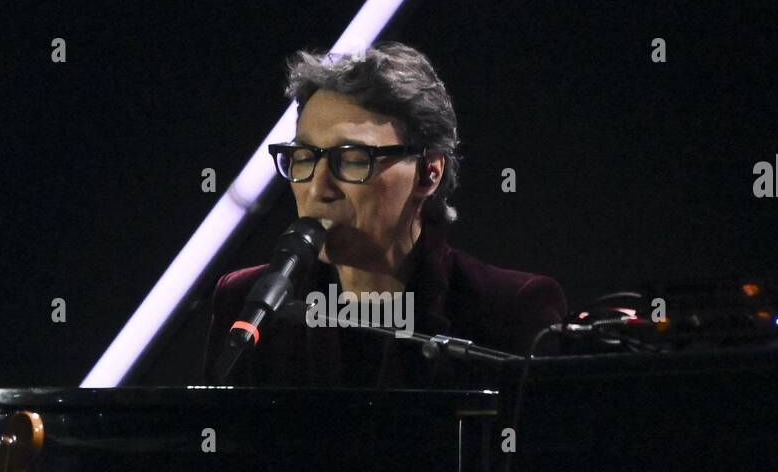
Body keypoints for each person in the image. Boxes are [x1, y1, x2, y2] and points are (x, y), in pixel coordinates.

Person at [204, 42, 567, 387]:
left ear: (428, 173)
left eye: (352, 158)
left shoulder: (510, 308)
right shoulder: (246, 302)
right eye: (304, 157)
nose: (318, 188)